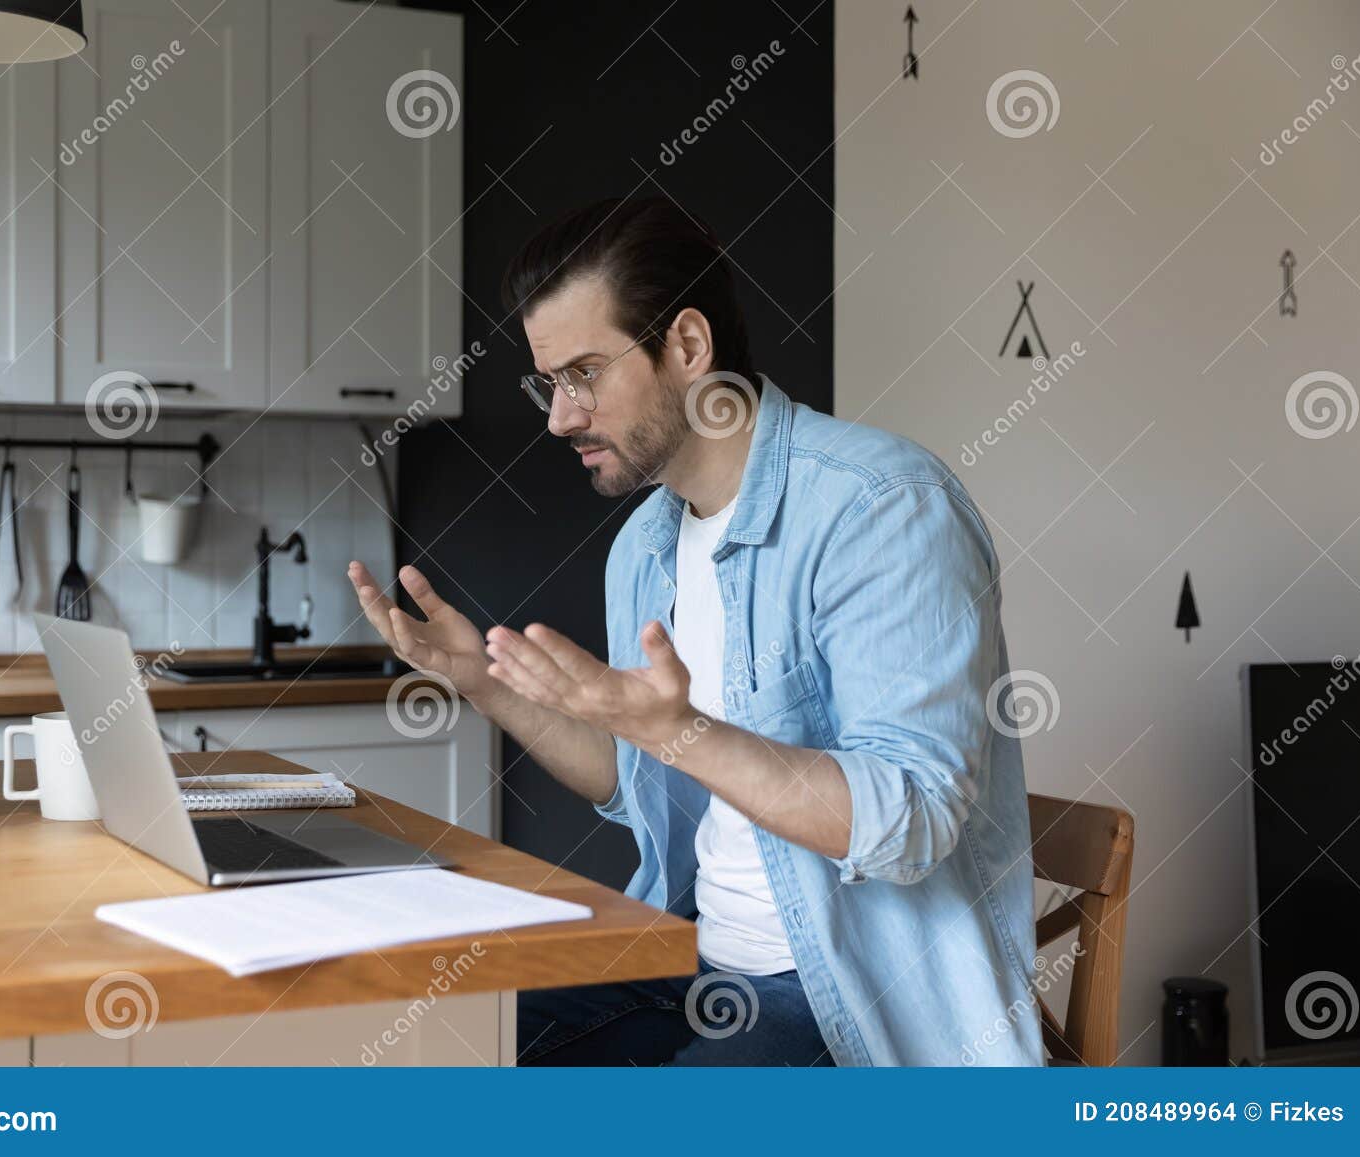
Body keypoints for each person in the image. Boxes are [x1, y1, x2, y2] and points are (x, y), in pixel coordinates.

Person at [347, 197, 1043, 1066]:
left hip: (850, 1009)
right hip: (695, 958)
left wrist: (678, 730)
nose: (559, 418)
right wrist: (484, 683)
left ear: (686, 346)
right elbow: (631, 777)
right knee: (433, 1043)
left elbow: (911, 821)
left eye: (584, 374)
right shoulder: (647, 544)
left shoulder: (881, 507)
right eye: (548, 382)